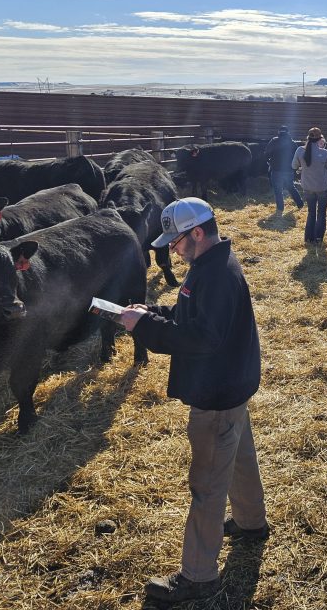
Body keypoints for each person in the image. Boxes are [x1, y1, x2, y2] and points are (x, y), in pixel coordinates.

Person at [120, 198, 268, 604]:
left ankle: (199, 576)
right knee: (239, 454)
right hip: (231, 385)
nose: (172, 248)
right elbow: (193, 315)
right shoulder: (209, 267)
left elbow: (203, 338)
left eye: (176, 240)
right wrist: (150, 311)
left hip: (217, 391)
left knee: (206, 484)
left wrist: (146, 329)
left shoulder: (216, 276)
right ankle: (252, 522)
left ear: (197, 233)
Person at [292, 127, 327, 246]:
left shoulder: (300, 150)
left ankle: (308, 238)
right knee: (321, 213)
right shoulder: (324, 152)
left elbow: (294, 166)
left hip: (307, 186)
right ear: (320, 138)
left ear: (308, 137)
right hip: (322, 187)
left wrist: (303, 168)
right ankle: (318, 238)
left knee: (311, 212)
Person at [266, 125, 303, 213]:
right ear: (288, 133)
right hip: (288, 169)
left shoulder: (274, 141)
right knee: (291, 187)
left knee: (278, 189)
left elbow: (267, 153)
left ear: (279, 132)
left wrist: (269, 161)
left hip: (276, 169)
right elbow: (297, 156)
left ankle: (280, 208)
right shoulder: (292, 142)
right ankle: (300, 203)